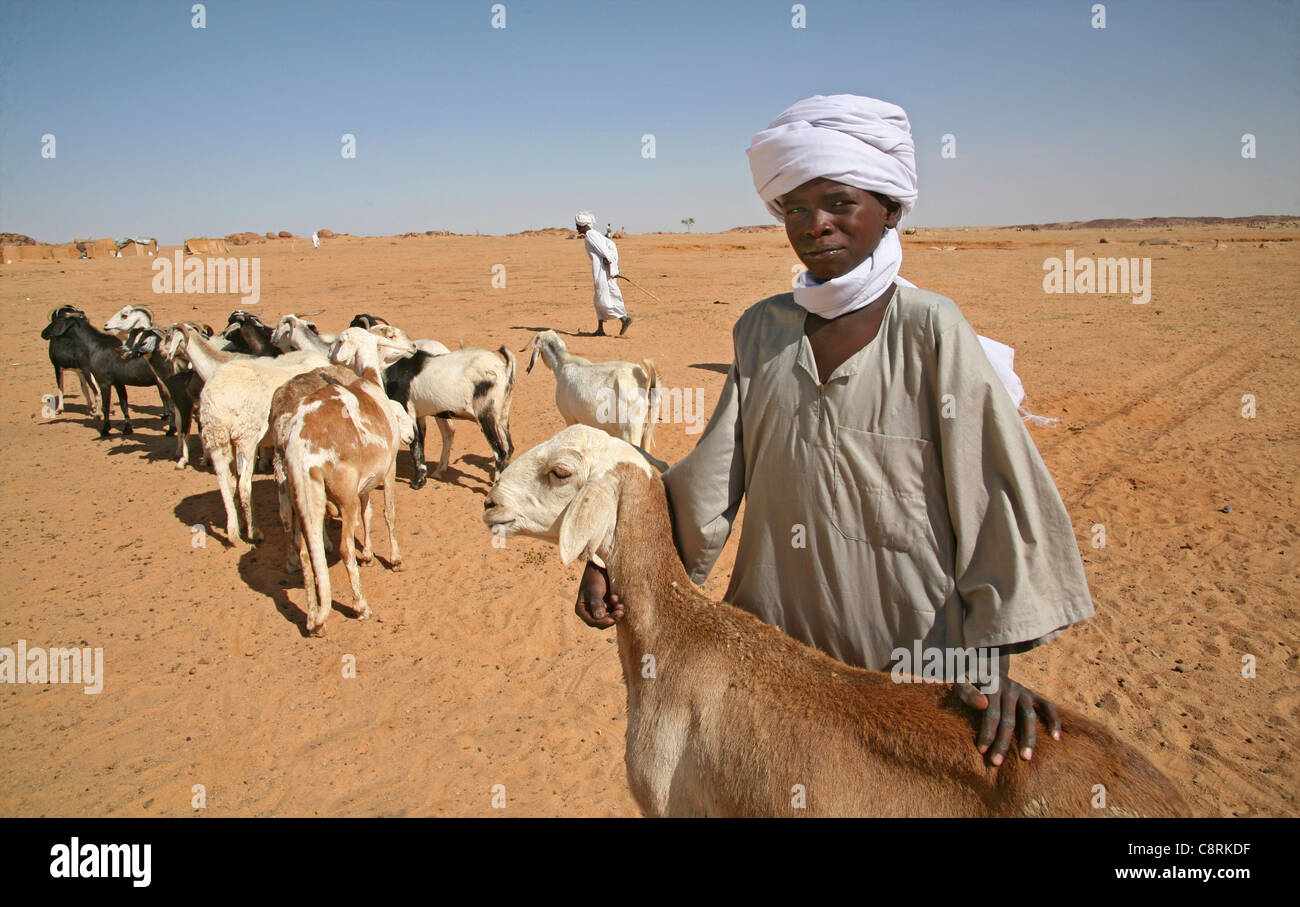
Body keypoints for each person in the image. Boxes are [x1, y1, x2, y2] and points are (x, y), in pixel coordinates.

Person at [575, 95, 1096, 767]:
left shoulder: (931, 331)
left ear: (891, 209)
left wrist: (990, 658)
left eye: (840, 203)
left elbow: (994, 493)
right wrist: (613, 558)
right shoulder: (762, 331)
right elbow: (708, 483)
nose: (814, 225)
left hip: (910, 685)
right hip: (776, 669)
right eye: (794, 208)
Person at [575, 210, 632, 335]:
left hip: (603, 270)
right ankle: (600, 329)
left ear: (583, 225)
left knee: (603, 297)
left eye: (578, 225)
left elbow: (603, 250)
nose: (576, 227)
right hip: (603, 269)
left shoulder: (590, 234)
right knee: (599, 297)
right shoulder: (593, 234)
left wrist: (608, 260)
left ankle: (624, 318)